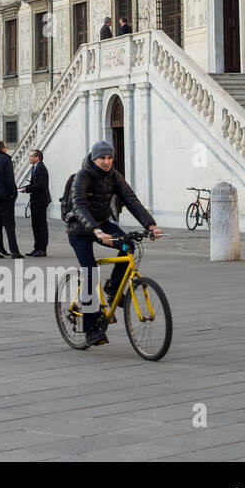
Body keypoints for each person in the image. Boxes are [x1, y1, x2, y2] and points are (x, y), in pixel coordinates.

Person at [66, 140, 163, 347]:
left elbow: (131, 200)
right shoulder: (82, 176)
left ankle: (113, 287)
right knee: (91, 273)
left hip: (102, 224)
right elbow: (79, 204)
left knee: (128, 246)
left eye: (110, 158)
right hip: (80, 229)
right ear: (94, 158)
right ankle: (90, 330)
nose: (107, 162)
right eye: (102, 158)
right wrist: (96, 230)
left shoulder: (114, 176)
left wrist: (151, 225)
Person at [19, 149, 50, 257]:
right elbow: (34, 184)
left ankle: (42, 249)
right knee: (35, 225)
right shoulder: (34, 167)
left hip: (41, 201)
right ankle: (36, 248)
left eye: (31, 156)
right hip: (35, 200)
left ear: (37, 157)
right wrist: (25, 188)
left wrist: (27, 189)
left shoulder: (41, 168)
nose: (29, 158)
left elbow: (41, 185)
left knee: (41, 225)